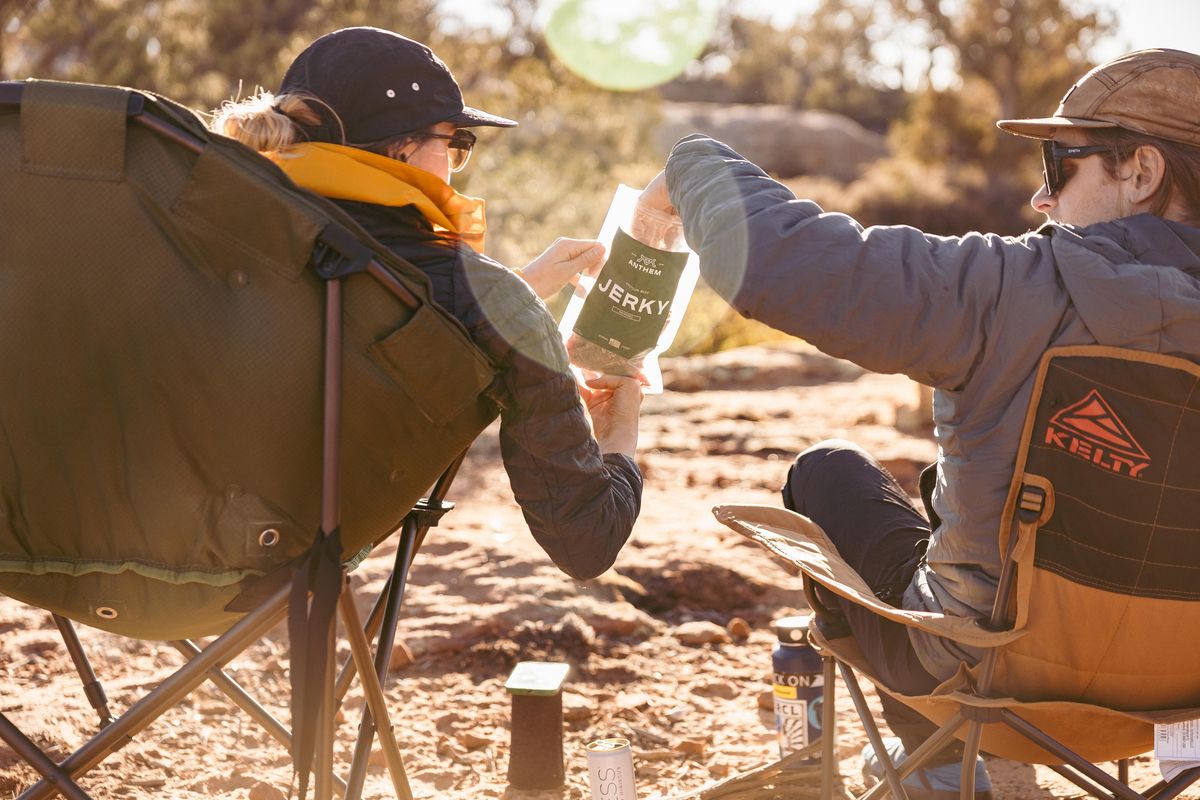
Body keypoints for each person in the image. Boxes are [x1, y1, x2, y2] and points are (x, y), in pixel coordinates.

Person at [640, 48, 1200, 798]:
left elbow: (777, 263)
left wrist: (694, 161)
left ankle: (944, 771)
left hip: (988, 676)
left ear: (1142, 172)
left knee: (828, 472)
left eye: (1059, 161)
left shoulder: (1007, 289)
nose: (1042, 197)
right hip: (1185, 691)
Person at [212, 27, 645, 580]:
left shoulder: (204, 238)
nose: (457, 160)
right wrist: (619, 432)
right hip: (284, 564)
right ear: (403, 150)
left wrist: (509, 295)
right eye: (456, 144)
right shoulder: (474, 291)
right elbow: (586, 541)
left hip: (100, 565)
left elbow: (339, 299)